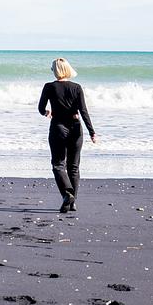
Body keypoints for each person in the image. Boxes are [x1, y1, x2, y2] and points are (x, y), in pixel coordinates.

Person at [37, 57, 97, 214]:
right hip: (76, 127)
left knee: (58, 164)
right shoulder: (76, 87)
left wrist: (46, 112)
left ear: (56, 70)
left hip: (58, 127)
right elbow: (83, 111)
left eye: (52, 68)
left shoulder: (49, 87)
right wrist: (92, 131)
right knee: (73, 166)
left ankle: (67, 195)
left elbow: (40, 108)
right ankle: (72, 202)